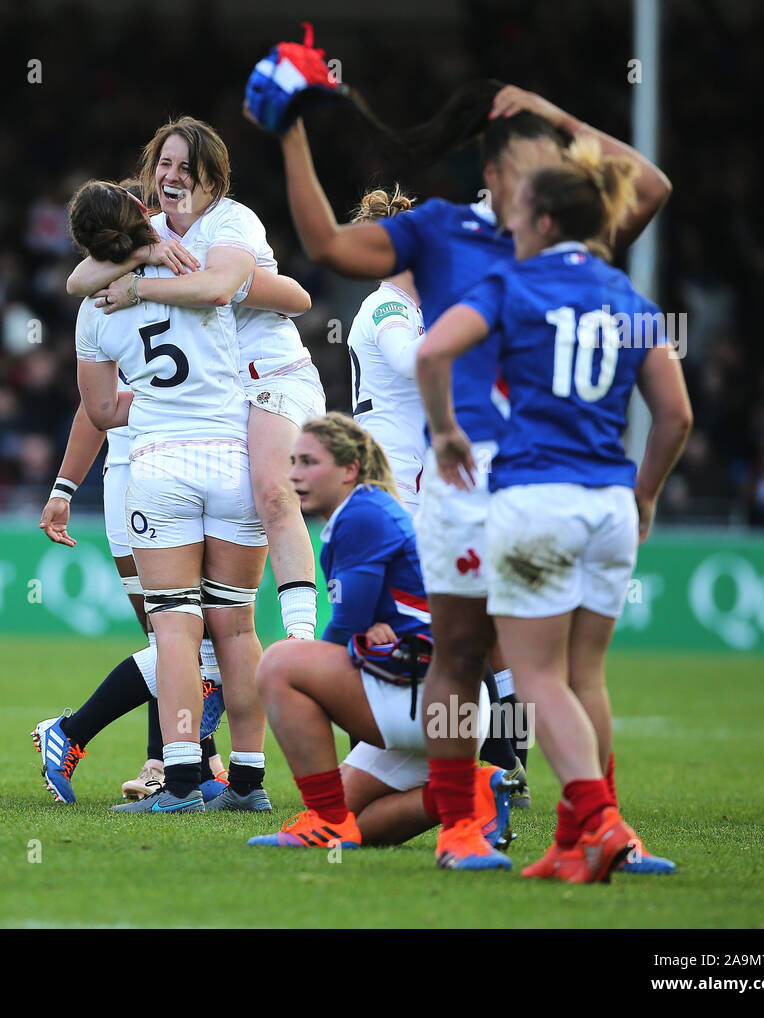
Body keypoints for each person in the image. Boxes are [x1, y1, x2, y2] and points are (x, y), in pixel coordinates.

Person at [256, 79, 671, 870]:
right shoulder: (444, 232)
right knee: (468, 654)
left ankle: (581, 823)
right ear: (498, 174)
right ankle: (468, 819)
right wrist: (292, 134)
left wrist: (553, 109)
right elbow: (331, 248)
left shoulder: (559, 243)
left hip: (530, 481)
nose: (558, 170)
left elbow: (650, 186)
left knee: (543, 667)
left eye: (561, 158)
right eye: (542, 158)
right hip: (461, 479)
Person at [416, 138, 691, 881]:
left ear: (537, 219)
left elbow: (434, 352)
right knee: (585, 677)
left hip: (536, 495)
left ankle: (599, 826)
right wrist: (645, 495)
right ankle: (581, 840)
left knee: (531, 678)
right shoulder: (630, 297)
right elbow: (676, 417)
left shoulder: (515, 285)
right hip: (610, 502)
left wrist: (444, 432)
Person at [32, 179, 271, 813]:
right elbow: (287, 295)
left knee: (174, 631)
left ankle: (181, 778)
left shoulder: (95, 304)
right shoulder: (199, 259)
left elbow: (103, 408)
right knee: (236, 631)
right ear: (143, 214)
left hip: (159, 464)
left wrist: (163, 400)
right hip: (232, 457)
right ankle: (247, 780)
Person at [249, 413, 518, 850]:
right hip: (441, 701)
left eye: (309, 462)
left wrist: (357, 643)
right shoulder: (357, 513)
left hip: (429, 694)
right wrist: (366, 638)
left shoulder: (364, 513)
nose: (294, 473)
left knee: (280, 662)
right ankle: (474, 791)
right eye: (293, 461)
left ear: (350, 469)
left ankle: (325, 818)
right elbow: (373, 621)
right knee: (357, 831)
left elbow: (344, 632)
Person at [342, 186, 427, 511]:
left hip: (418, 471)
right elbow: (406, 360)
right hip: (390, 472)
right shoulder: (385, 304)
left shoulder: (418, 311)